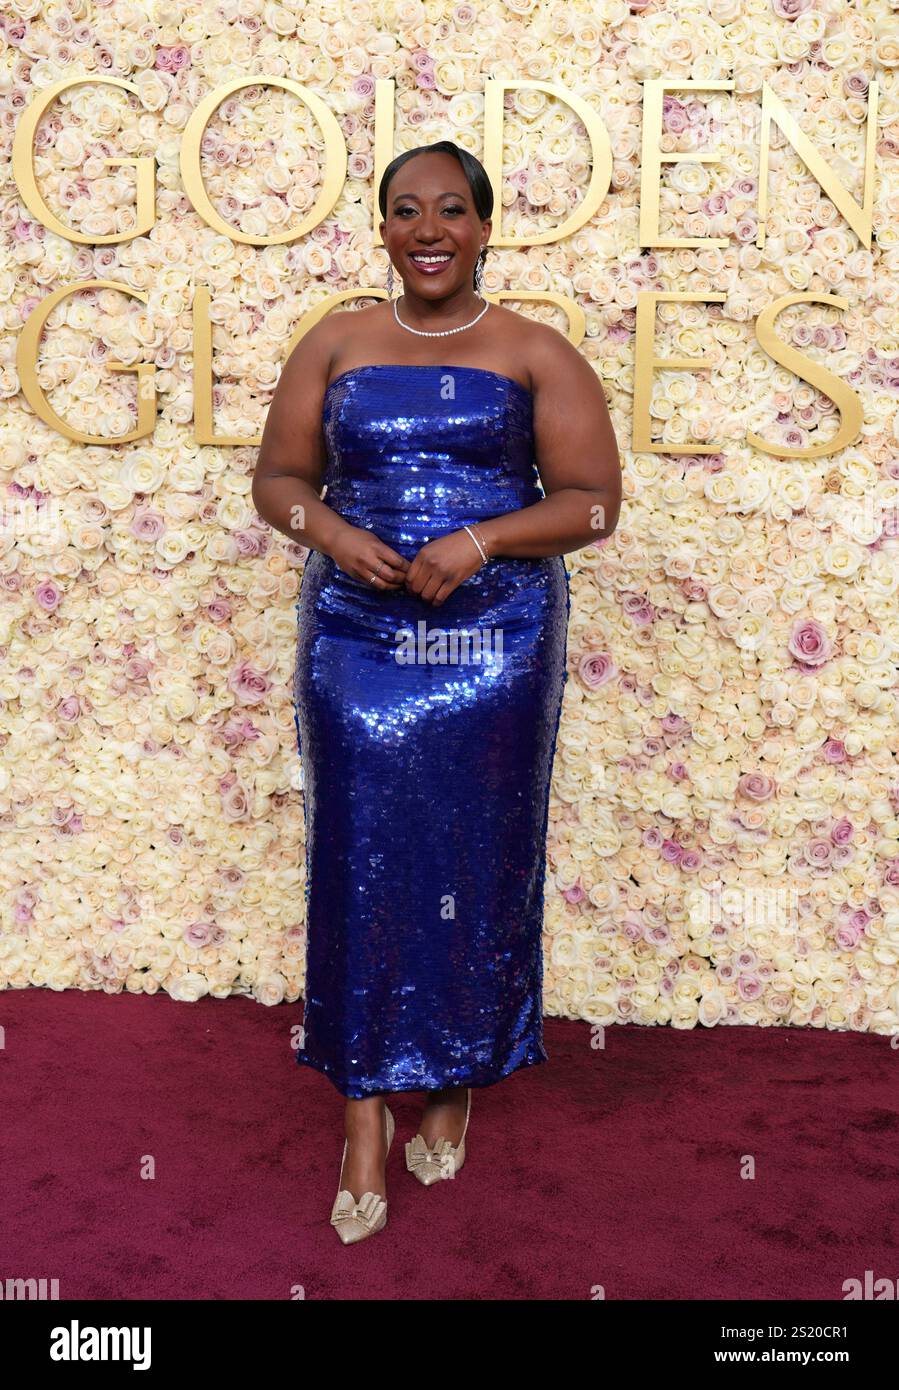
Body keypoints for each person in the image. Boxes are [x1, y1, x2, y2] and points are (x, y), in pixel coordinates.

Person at [252, 139, 621, 1244]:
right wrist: (333, 535)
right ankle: (363, 1115)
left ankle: (455, 1074)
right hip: (356, 635)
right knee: (359, 857)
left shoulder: (532, 350)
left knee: (473, 856)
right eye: (405, 210)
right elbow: (277, 480)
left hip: (494, 640)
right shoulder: (335, 341)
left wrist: (481, 538)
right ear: (382, 229)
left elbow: (594, 502)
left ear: (483, 228)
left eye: (450, 209)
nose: (427, 230)